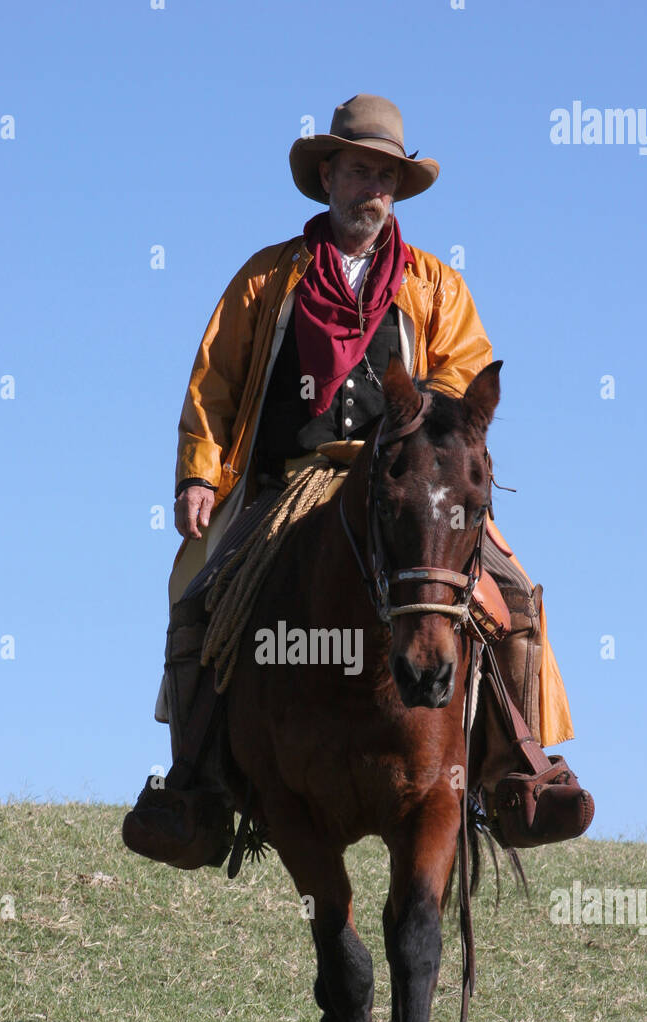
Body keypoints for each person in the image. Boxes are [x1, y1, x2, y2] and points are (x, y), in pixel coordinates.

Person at [123, 94, 579, 864]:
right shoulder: (268, 279)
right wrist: (199, 475)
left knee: (516, 597)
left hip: (404, 488)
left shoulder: (435, 284)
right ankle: (194, 788)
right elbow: (215, 382)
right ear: (328, 174)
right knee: (197, 596)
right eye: (362, 170)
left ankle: (516, 775)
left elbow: (465, 386)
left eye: (387, 177)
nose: (374, 188)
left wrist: (419, 443)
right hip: (290, 483)